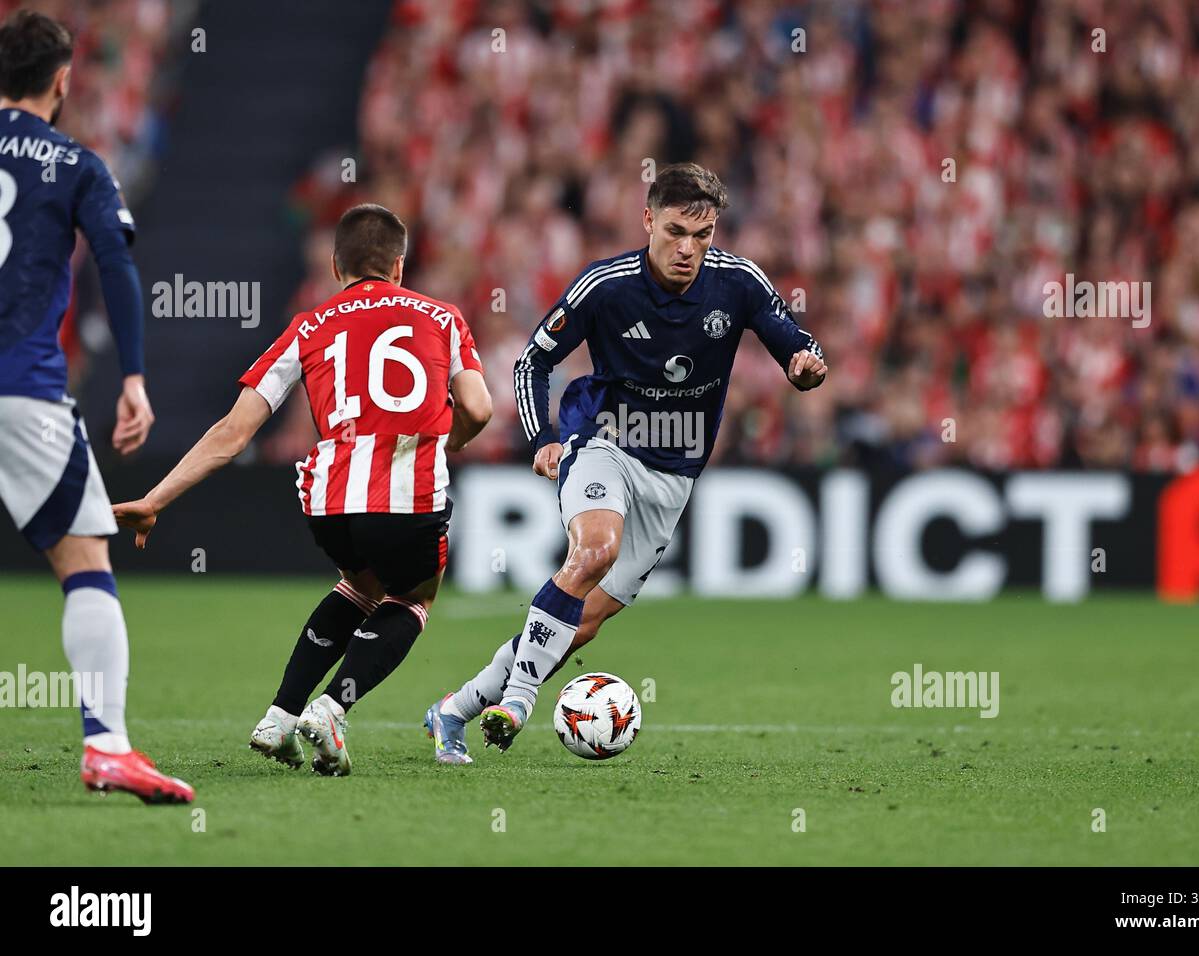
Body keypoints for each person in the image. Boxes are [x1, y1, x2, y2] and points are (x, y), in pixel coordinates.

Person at [424, 163, 826, 762]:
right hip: (604, 441)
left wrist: (805, 368)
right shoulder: (606, 286)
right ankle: (520, 701)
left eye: (703, 235)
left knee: (582, 623)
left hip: (674, 474)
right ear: (648, 221)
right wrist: (542, 439)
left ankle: (455, 708)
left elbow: (795, 344)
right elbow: (533, 361)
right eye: (675, 232)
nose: (688, 249)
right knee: (594, 551)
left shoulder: (737, 282)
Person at [113, 204, 492, 776]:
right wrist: (451, 439)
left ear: (336, 267)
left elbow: (233, 432)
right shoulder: (442, 317)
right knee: (413, 598)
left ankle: (280, 715)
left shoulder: (309, 325)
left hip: (328, 497)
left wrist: (155, 499)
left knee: (360, 585)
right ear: (399, 265)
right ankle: (331, 709)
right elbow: (479, 408)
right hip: (407, 493)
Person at [0, 10, 191, 803]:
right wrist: (134, 378)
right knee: (85, 564)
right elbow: (114, 264)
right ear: (62, 80)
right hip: (24, 389)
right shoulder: (76, 164)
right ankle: (107, 747)